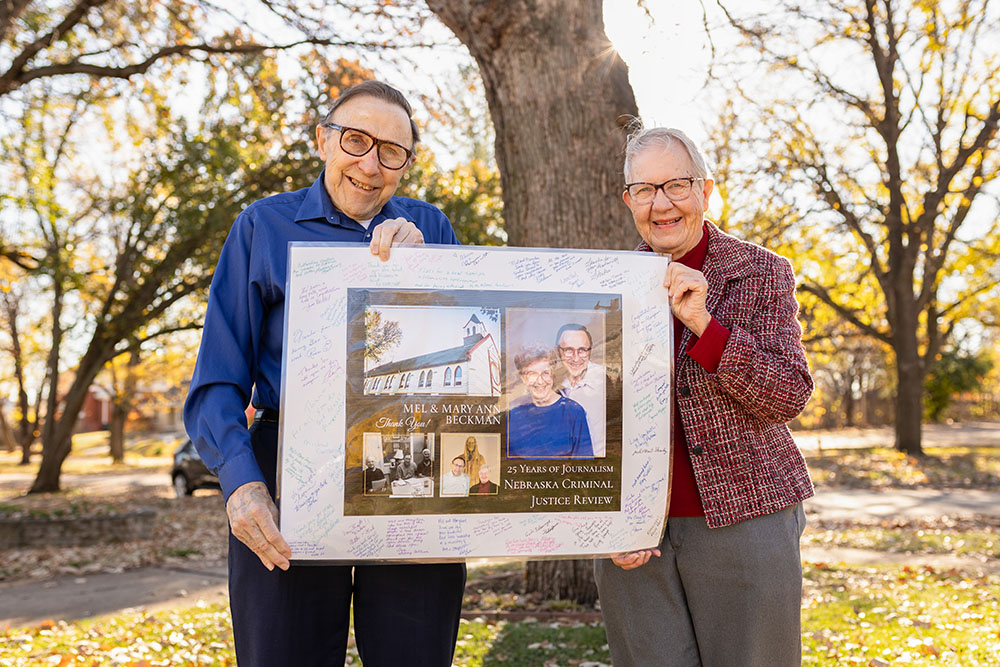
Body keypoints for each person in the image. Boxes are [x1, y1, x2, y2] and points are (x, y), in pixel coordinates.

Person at [183, 80, 466, 667]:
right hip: (288, 472)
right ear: (323, 140)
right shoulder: (262, 227)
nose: (371, 165)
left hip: (410, 462)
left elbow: (466, 367)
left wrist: (429, 272)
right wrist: (240, 483)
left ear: (406, 165)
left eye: (393, 152)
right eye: (357, 141)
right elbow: (217, 381)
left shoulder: (430, 229)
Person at [592, 125, 814, 667]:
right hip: (635, 533)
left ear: (706, 190)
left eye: (676, 185)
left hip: (747, 517)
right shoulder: (603, 289)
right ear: (628, 201)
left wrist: (705, 326)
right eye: (644, 190)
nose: (661, 204)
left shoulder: (761, 272)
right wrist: (604, 517)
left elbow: (789, 393)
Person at [507, 344, 593, 458]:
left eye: (545, 373)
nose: (540, 381)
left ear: (552, 375)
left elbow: (584, 467)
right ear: (523, 378)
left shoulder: (574, 412)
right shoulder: (513, 411)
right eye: (532, 373)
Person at [555, 324, 607, 457]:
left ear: (590, 351)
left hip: (600, 468)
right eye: (568, 350)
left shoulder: (607, 382)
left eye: (582, 350)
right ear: (558, 351)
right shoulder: (549, 383)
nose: (576, 358)